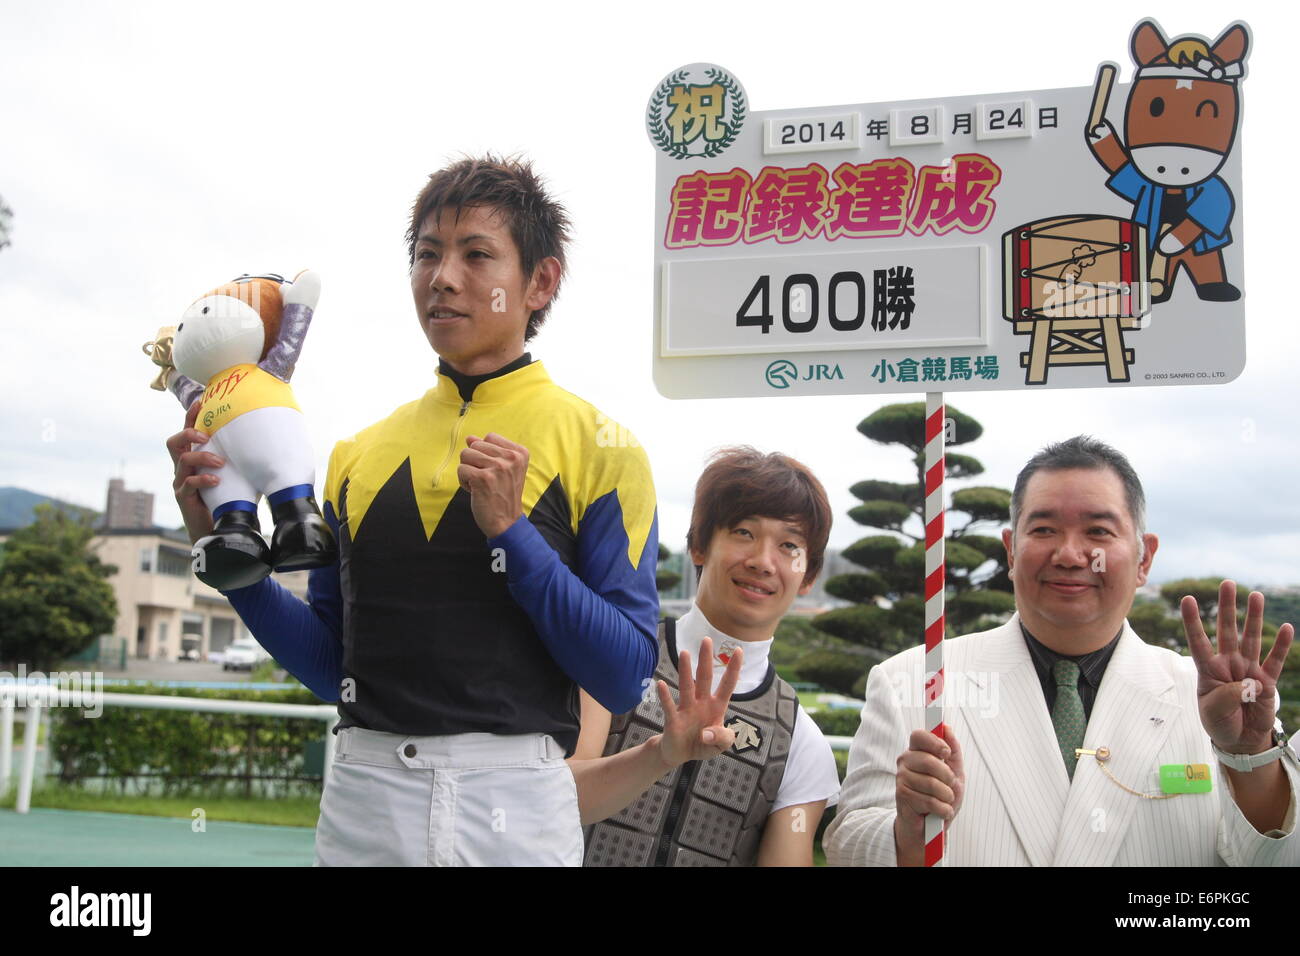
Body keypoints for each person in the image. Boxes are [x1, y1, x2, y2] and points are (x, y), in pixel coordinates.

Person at [166, 156, 660, 866]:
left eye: (476, 254)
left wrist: (514, 537)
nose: (443, 277)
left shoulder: (604, 447)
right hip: (364, 797)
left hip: (518, 808)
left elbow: (625, 678)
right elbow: (334, 664)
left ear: (540, 282)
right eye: (426, 255)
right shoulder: (356, 454)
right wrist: (228, 559)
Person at [825, 435, 1298, 867]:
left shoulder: (1217, 699)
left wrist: (1249, 756)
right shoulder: (914, 682)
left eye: (1098, 532)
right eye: (1045, 530)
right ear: (1011, 551)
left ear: (1144, 557)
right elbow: (848, 845)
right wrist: (906, 833)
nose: (1070, 555)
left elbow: (1273, 858)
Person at [576, 447, 842, 866]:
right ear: (699, 546)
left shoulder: (800, 741)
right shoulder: (619, 653)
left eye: (789, 545)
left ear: (807, 576)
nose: (762, 562)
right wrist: (660, 754)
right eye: (743, 533)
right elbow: (559, 797)